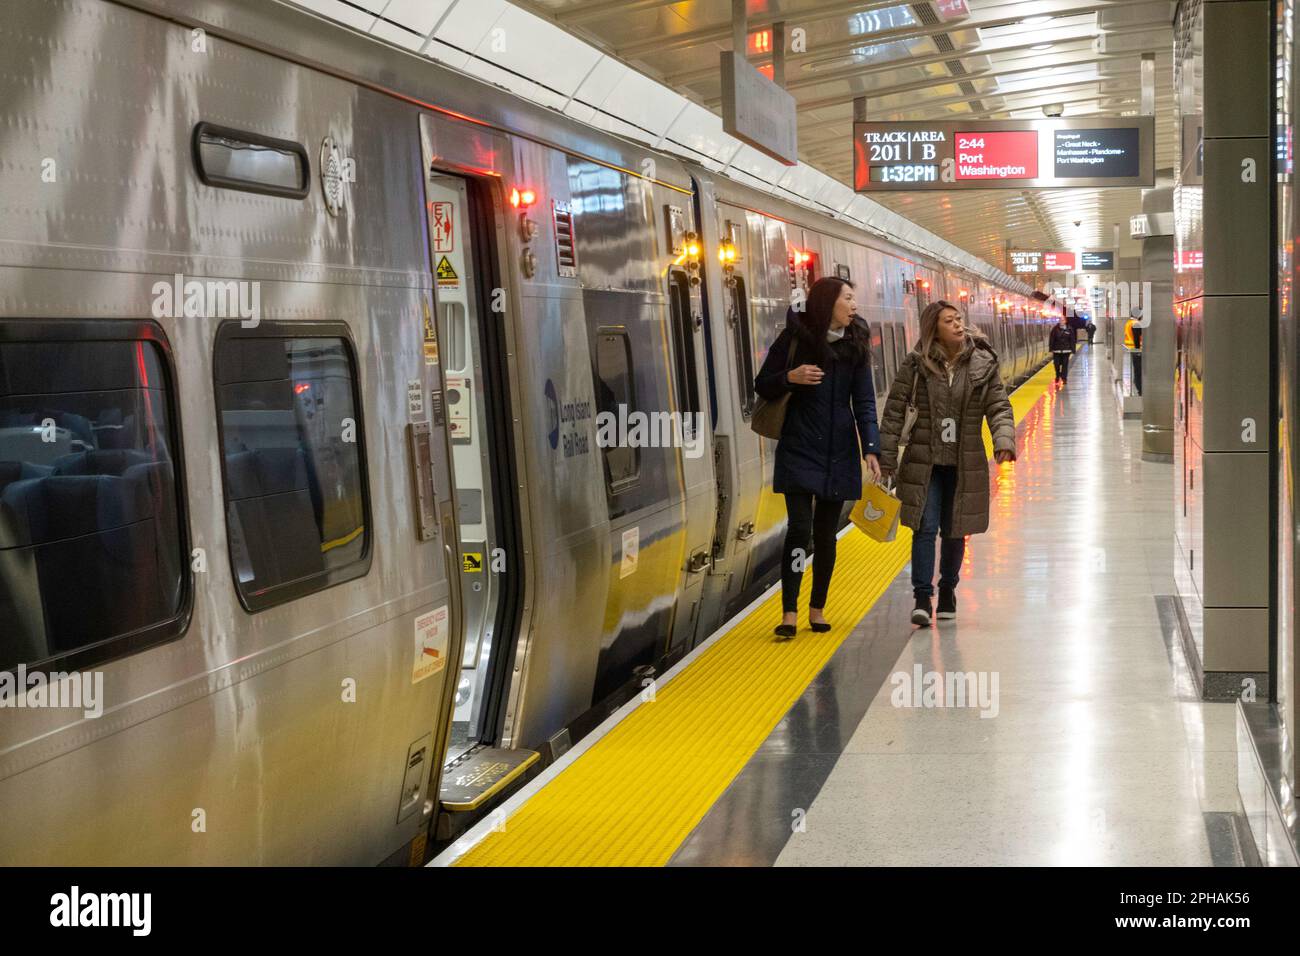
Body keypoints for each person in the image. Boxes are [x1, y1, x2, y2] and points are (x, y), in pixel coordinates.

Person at [754, 276, 880, 639]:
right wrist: (790, 377)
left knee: (826, 535)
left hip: (839, 448)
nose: (854, 305)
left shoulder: (855, 342)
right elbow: (763, 384)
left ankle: (817, 608)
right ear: (829, 303)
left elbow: (865, 401)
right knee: (799, 530)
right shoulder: (794, 338)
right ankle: (790, 611)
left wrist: (871, 447)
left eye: (854, 298)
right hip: (800, 445)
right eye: (848, 298)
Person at [878, 301, 1016, 626]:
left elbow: (999, 407)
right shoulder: (916, 365)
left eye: (959, 319)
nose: (957, 325)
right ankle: (923, 596)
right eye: (948, 321)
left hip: (964, 463)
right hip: (925, 463)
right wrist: (885, 459)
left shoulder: (983, 364)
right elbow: (894, 412)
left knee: (956, 531)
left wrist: (1004, 441)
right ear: (933, 328)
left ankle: (948, 589)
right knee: (925, 528)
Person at [1049, 312, 1075, 384]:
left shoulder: (1069, 329)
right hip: (1057, 350)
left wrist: (1073, 349)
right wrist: (1051, 348)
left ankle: (1064, 378)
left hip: (1066, 350)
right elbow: (1052, 339)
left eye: (1063, 320)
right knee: (1056, 364)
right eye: (1060, 320)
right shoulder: (1055, 329)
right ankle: (1058, 374)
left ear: (1065, 321)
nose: (1061, 321)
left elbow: (1072, 340)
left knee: (1065, 364)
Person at [1124, 307, 1144, 395]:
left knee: (1136, 369)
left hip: (1130, 349)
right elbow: (1136, 338)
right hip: (1136, 350)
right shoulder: (1135, 323)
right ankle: (1140, 389)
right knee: (1138, 370)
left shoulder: (1129, 322)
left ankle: (1137, 385)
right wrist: (1137, 349)